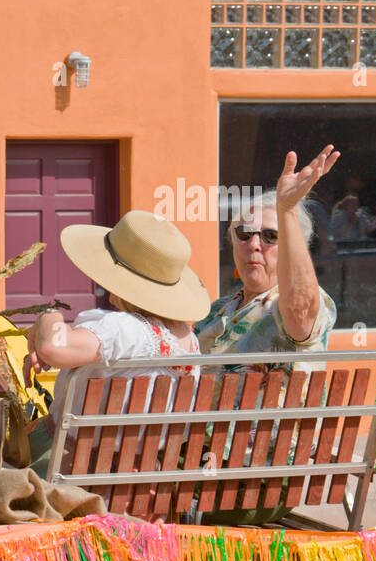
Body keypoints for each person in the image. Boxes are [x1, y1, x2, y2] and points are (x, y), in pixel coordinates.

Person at [23, 210, 211, 478]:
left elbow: (55, 347)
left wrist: (48, 314)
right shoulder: (189, 342)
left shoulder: (122, 329)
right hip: (138, 483)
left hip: (69, 472)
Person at [197, 147, 340, 361]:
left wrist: (287, 209)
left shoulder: (291, 304)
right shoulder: (214, 311)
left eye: (270, 236)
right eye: (244, 233)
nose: (254, 244)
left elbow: (299, 310)